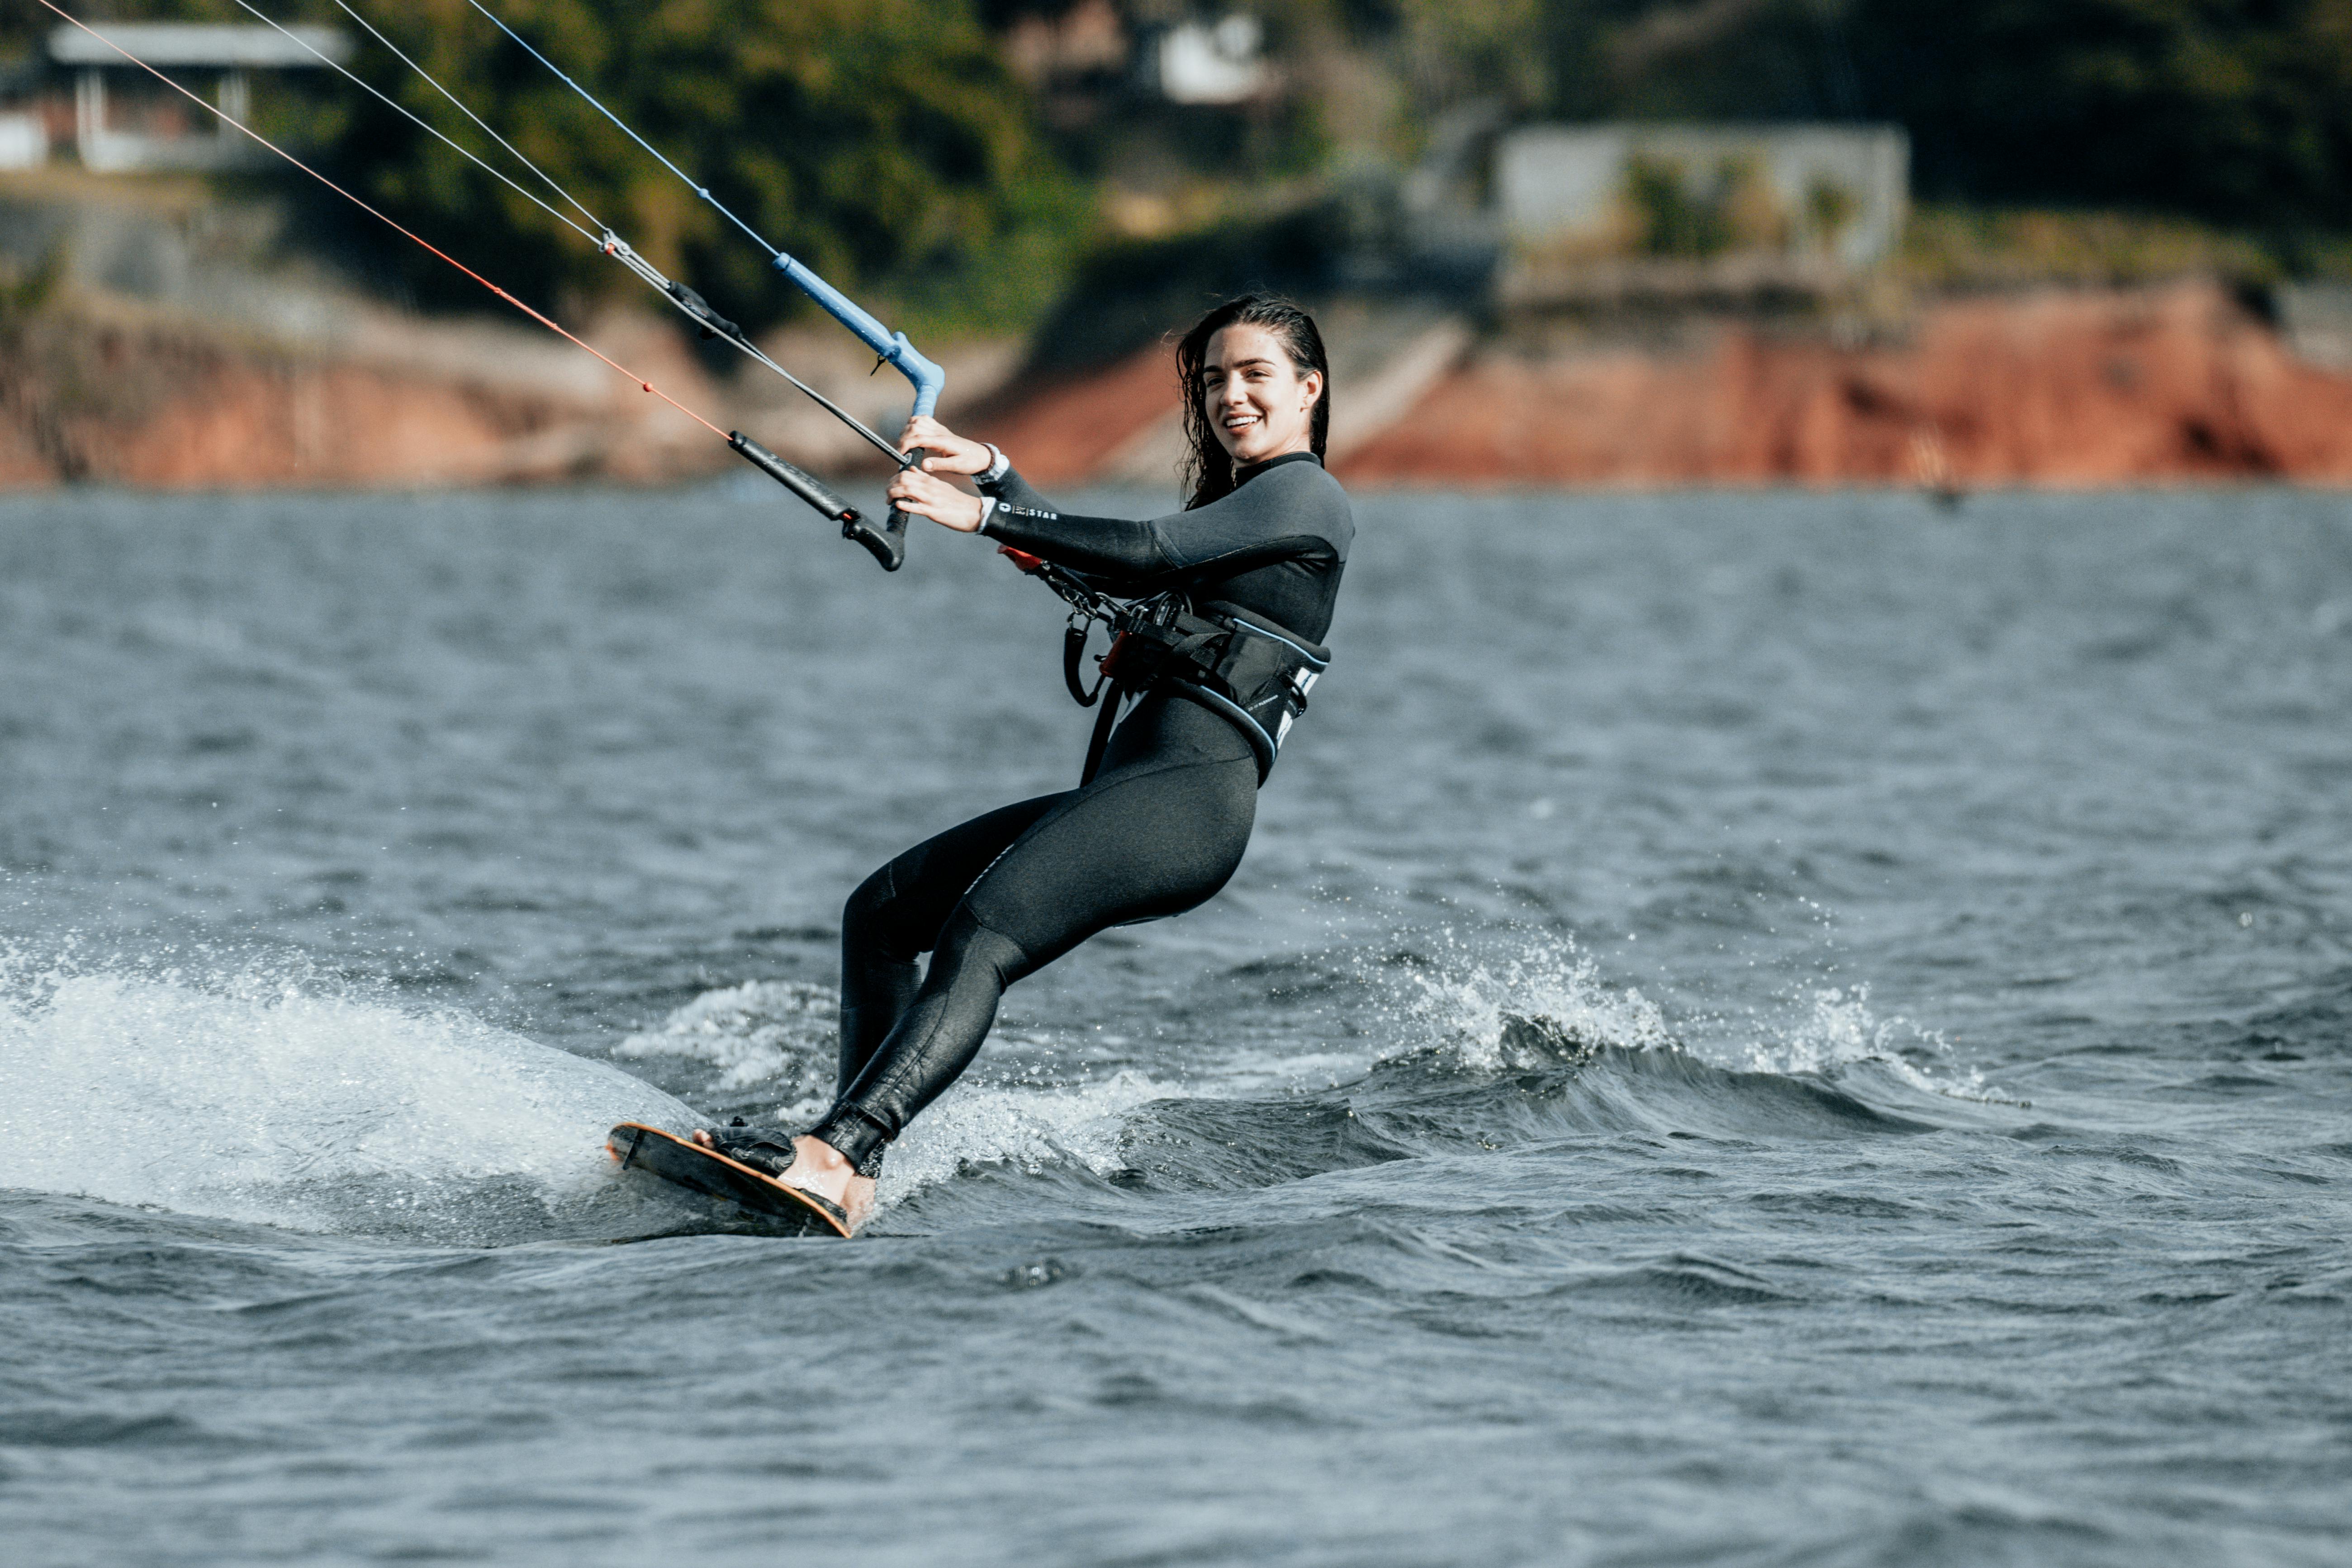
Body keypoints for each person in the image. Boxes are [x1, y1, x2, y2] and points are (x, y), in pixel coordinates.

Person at [693, 294, 1352, 1230]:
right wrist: (997, 474)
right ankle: (849, 1169)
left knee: (981, 935)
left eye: (1254, 375)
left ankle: (836, 1152)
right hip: (1144, 787)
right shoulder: (1243, 513)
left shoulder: (1307, 496)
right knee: (883, 915)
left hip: (1190, 803)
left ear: (1309, 388)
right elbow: (1105, 566)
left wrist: (978, 516)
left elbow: (1146, 549)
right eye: (1213, 380)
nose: (1229, 396)